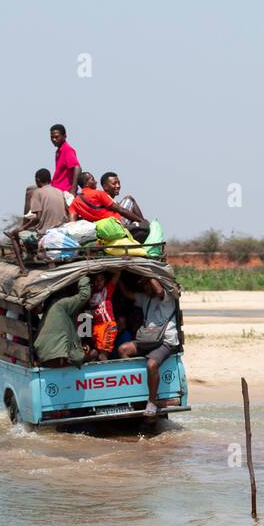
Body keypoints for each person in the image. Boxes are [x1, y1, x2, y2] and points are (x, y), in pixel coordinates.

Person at [117, 274, 180, 416]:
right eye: (144, 285)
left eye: (148, 284)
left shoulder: (167, 297)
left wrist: (149, 274)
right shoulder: (145, 298)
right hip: (149, 340)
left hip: (165, 341)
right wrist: (118, 275)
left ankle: (151, 402)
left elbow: (158, 291)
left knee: (151, 365)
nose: (146, 287)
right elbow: (127, 294)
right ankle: (134, 394)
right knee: (123, 350)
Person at [71, 173, 150, 241]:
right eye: (92, 179)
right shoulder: (98, 193)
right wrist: (141, 221)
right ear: (86, 183)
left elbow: (72, 224)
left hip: (101, 230)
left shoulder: (75, 202)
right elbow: (121, 210)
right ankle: (143, 224)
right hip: (116, 223)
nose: (96, 181)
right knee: (129, 199)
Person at [35, 276, 91, 367]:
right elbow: (84, 295)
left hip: (43, 355)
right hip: (57, 357)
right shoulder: (62, 304)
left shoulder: (51, 308)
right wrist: (84, 276)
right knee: (92, 354)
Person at [50, 124, 80, 195]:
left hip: (63, 190)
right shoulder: (59, 151)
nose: (54, 139)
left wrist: (73, 190)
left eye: (56, 137)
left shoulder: (67, 150)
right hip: (55, 188)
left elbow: (77, 168)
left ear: (64, 136)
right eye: (52, 137)